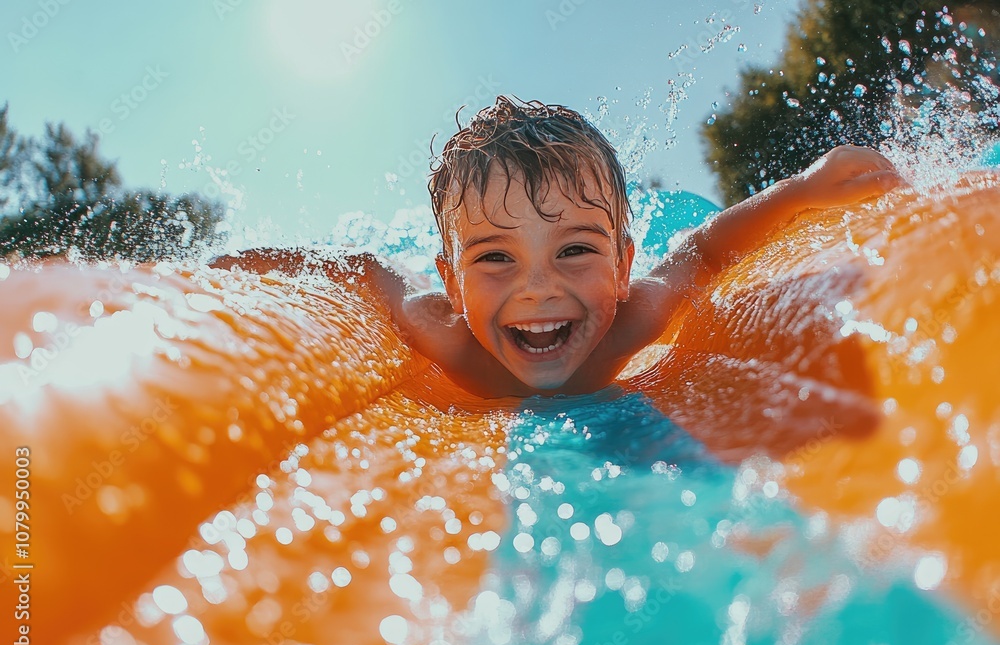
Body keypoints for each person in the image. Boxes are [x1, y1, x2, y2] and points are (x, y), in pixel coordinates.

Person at [211, 96, 902, 398]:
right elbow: (364, 269)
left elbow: (705, 250)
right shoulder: (442, 332)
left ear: (624, 265)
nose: (538, 288)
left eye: (574, 250)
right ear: (452, 285)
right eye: (494, 257)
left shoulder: (633, 320)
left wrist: (804, 189)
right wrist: (245, 264)